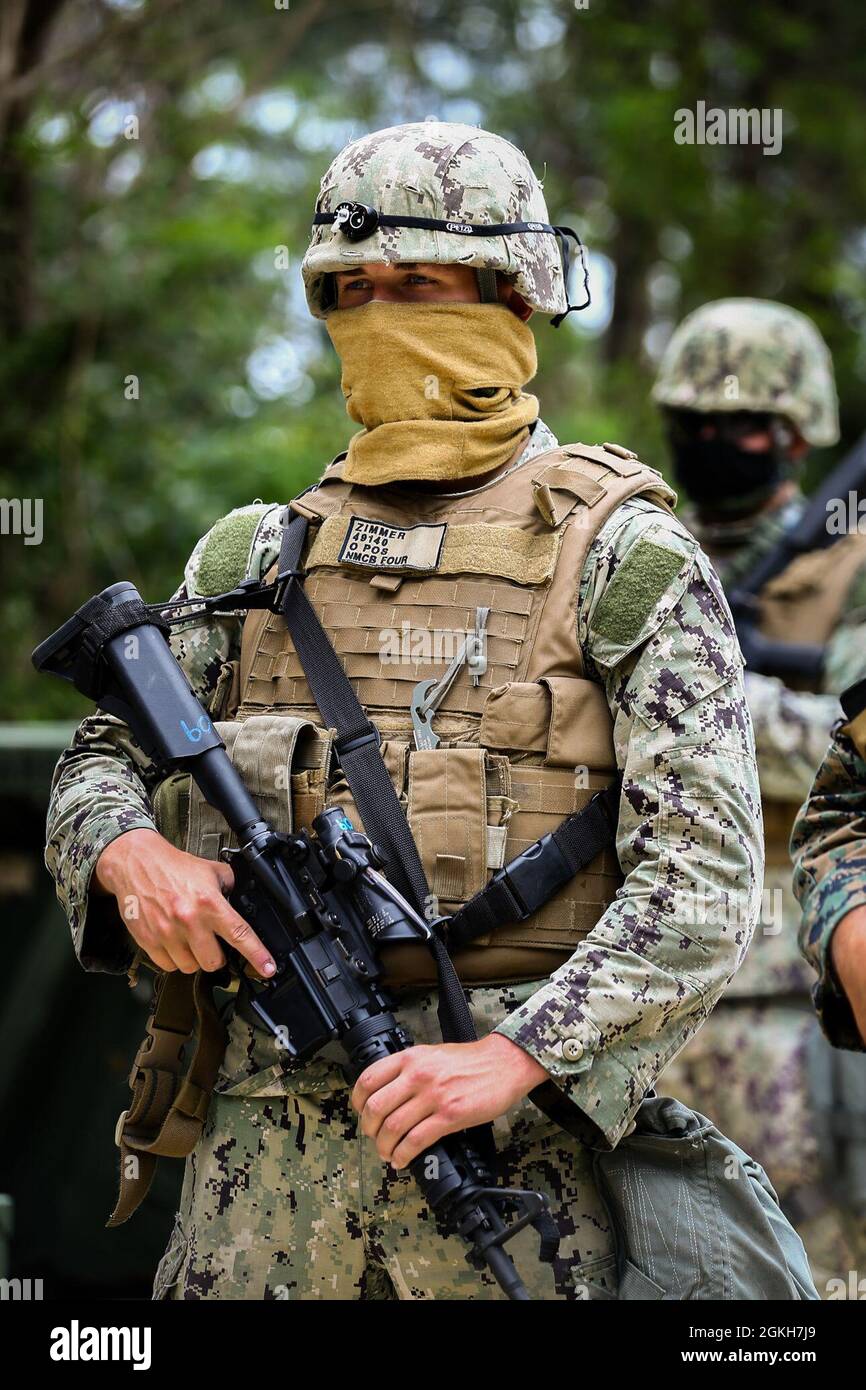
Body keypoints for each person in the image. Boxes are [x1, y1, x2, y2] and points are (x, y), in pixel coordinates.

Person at [46, 121, 764, 1301]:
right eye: (349, 290)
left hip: (506, 1180)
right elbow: (99, 755)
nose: (378, 315)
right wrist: (127, 854)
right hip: (251, 1200)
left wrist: (516, 1053)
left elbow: (706, 876)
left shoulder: (617, 556)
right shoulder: (253, 552)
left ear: (508, 295)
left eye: (415, 283)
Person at [652, 297, 866, 1289]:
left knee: (814, 1270)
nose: (713, 444)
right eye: (690, 425)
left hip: (792, 986)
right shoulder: (632, 552)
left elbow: (848, 743)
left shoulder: (849, 565)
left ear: (793, 435)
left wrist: (710, 693)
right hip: (635, 974)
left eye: (738, 426)